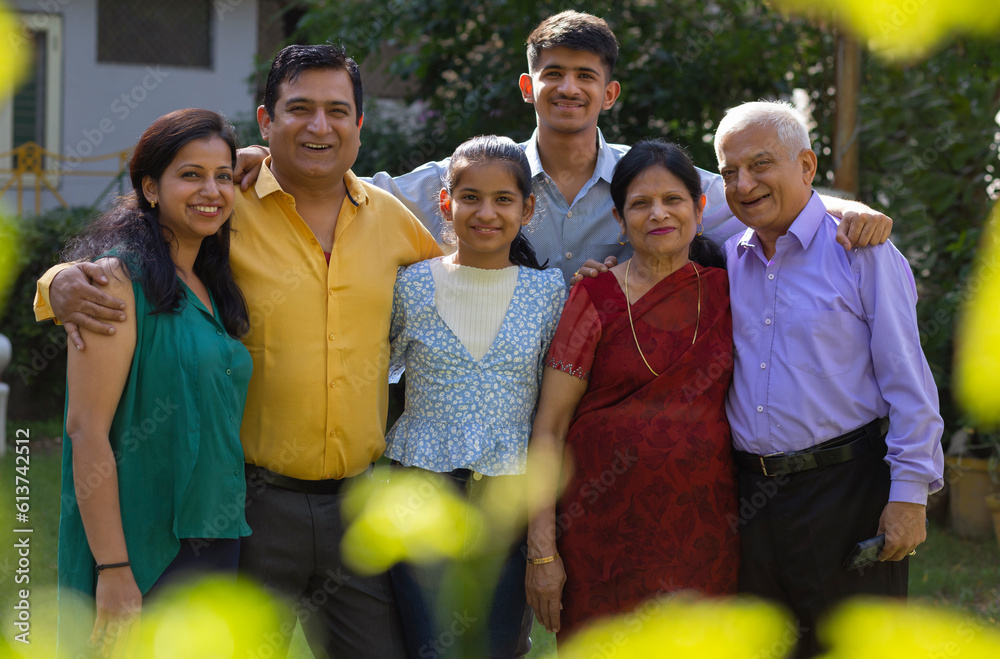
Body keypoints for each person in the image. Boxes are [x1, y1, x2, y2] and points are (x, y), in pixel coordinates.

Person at [36, 45, 441, 658]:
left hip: (358, 508)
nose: (319, 125)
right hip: (248, 508)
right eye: (299, 109)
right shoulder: (227, 206)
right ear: (266, 120)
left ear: (360, 124)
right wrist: (57, 283)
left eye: (337, 110)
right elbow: (136, 244)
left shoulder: (393, 220)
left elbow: (462, 284)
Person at [234, 10, 892, 288]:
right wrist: (270, 163)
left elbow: (755, 198)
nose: (568, 88)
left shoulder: (651, 182)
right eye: (553, 74)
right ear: (529, 87)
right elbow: (367, 192)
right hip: (504, 413)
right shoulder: (479, 178)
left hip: (608, 412)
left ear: (609, 93)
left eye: (585, 76)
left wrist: (844, 209)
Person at [714, 100, 944, 659]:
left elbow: (908, 381)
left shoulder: (863, 252)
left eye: (760, 164)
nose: (744, 184)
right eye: (729, 172)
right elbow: (656, 201)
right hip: (750, 499)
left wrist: (910, 496)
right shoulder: (726, 260)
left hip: (848, 490)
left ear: (807, 166)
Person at [524, 140, 739, 644]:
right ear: (620, 221)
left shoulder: (730, 290)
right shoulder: (593, 296)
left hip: (705, 531)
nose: (658, 213)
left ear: (700, 210)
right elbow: (549, 428)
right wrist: (542, 551)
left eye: (673, 200)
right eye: (641, 204)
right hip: (600, 535)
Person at [56, 109, 252, 655]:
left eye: (222, 176)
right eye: (190, 175)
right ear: (149, 187)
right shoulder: (114, 281)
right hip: (142, 547)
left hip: (217, 535)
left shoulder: (212, 283)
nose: (211, 190)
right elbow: (85, 430)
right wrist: (113, 568)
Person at [386, 135, 566, 658]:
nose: (486, 213)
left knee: (497, 645)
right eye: (470, 197)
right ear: (446, 202)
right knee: (430, 645)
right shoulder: (410, 286)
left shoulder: (548, 293)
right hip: (421, 487)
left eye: (503, 199)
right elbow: (373, 371)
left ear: (526, 210)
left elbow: (556, 402)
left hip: (508, 497)